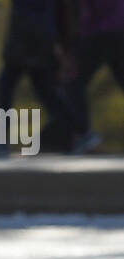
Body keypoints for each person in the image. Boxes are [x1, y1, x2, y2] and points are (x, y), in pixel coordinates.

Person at [0, 0, 80, 154]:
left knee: (6, 86)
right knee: (46, 91)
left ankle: (0, 142)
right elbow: (61, 15)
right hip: (42, 40)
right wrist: (64, 45)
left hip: (22, 40)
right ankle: (79, 131)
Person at [66, 0, 124, 151]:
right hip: (119, 28)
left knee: (74, 83)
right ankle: (83, 134)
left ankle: (84, 133)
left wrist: (74, 43)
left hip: (97, 32)